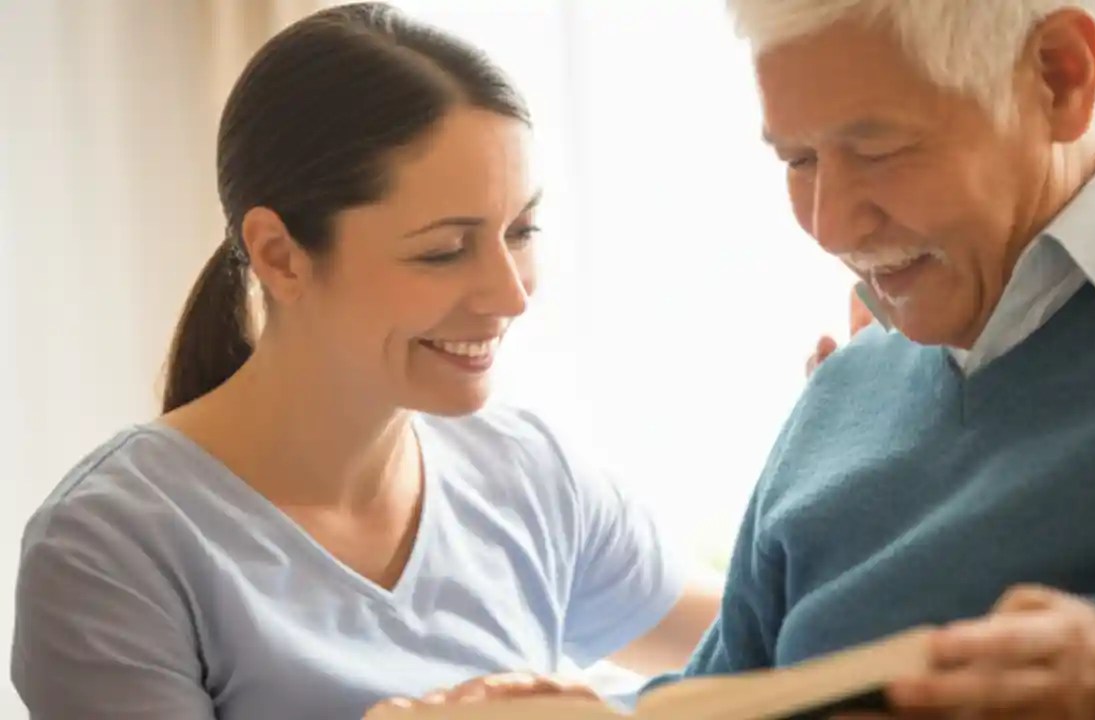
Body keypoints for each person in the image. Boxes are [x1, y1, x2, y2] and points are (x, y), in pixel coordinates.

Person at [416, 1, 1095, 718]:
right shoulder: (843, 392)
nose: (829, 226)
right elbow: (730, 696)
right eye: (797, 159)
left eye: (878, 150)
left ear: (1060, 76)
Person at [10, 5, 724, 719]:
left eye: (522, 230)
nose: (510, 295)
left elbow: (767, 657)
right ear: (280, 256)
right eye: (444, 249)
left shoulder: (528, 474)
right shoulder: (112, 547)